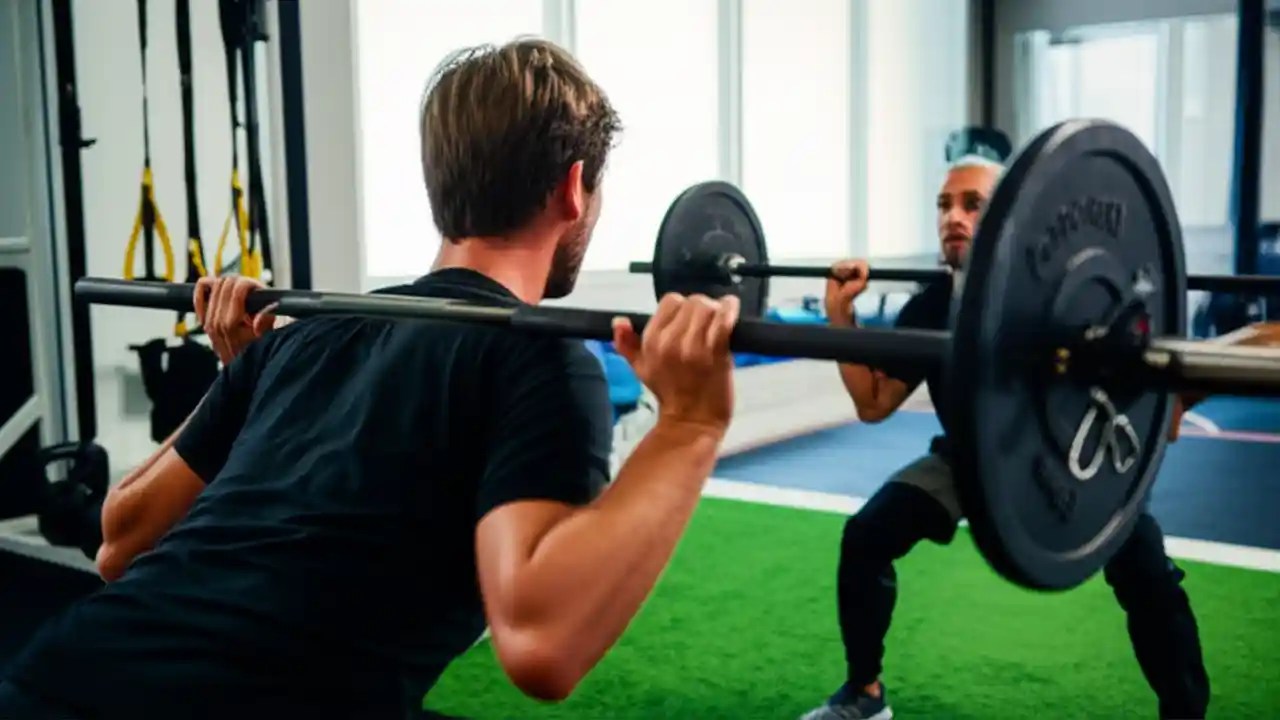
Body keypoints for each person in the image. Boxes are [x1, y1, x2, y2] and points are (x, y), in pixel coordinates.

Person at [0, 39, 742, 719]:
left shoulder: (305, 337)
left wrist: (243, 379)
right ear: (574, 188)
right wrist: (689, 428)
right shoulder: (538, 357)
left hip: (57, 675)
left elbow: (120, 540)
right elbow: (540, 645)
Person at [800, 155, 1210, 720]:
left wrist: (1176, 397)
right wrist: (839, 317)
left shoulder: (1059, 296)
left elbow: (1141, 396)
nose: (953, 217)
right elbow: (874, 403)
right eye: (944, 205)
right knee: (867, 536)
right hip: (969, 457)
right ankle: (864, 695)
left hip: (1062, 461)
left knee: (1145, 570)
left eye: (973, 204)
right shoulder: (930, 304)